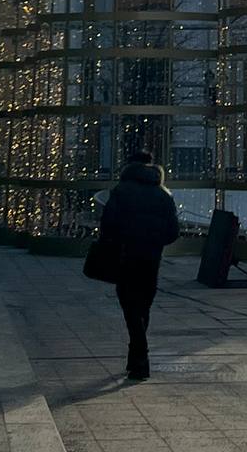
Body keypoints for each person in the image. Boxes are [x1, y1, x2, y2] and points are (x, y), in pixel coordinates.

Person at [99, 150, 179, 381]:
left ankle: (140, 356)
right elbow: (173, 231)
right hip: (151, 258)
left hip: (126, 256)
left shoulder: (121, 191)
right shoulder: (163, 194)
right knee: (143, 306)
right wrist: (155, 242)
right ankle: (135, 357)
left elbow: (107, 225)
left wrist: (115, 242)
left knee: (130, 305)